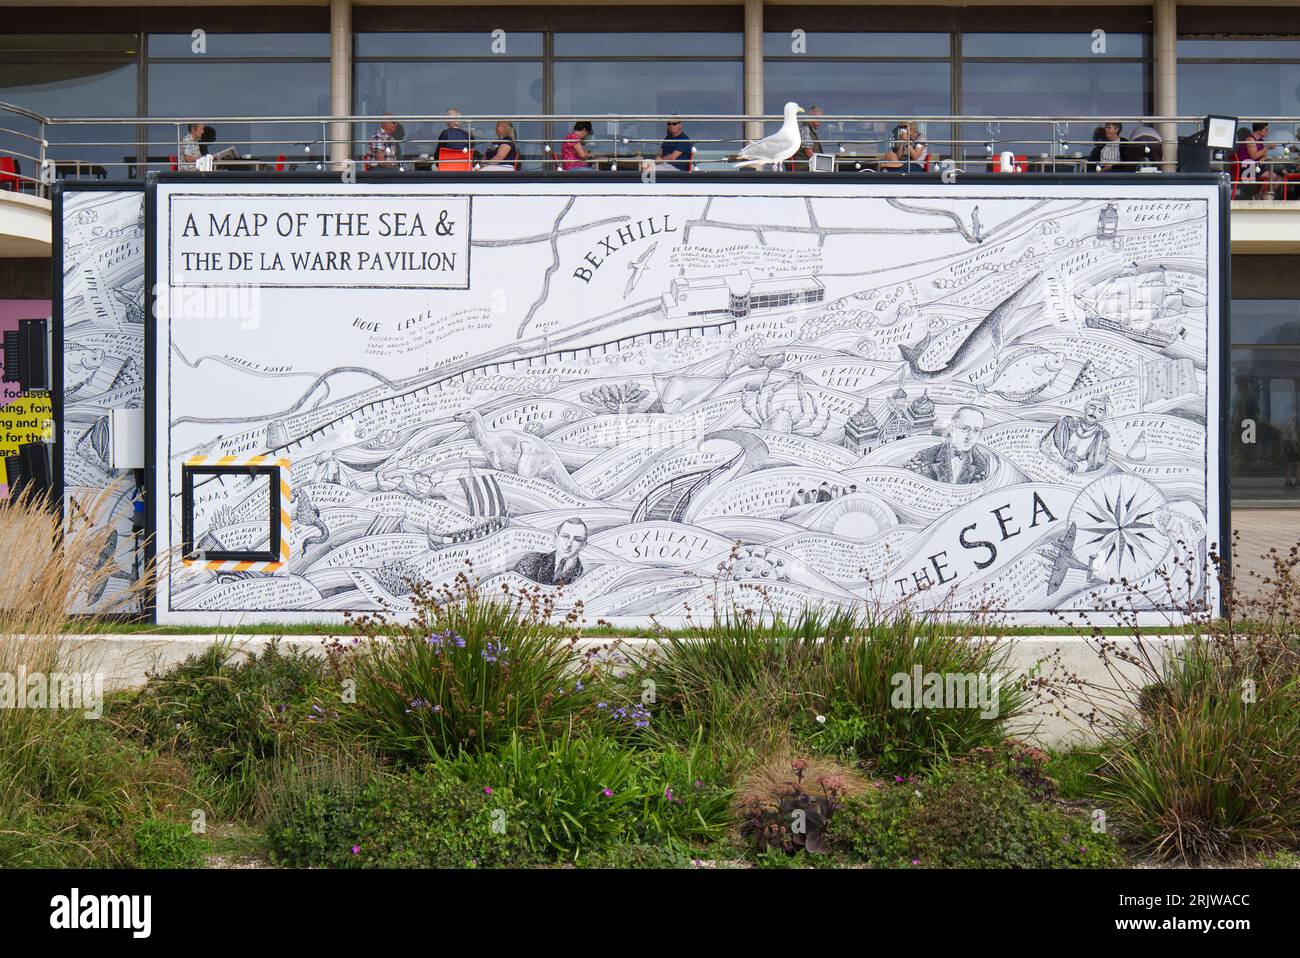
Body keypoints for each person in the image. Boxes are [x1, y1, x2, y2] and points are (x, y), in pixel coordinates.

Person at [905, 406, 991, 485]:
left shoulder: (981, 462)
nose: (970, 436)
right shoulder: (925, 456)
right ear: (951, 428)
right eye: (964, 429)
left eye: (976, 431)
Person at [1040, 397, 1112, 474]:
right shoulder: (1066, 422)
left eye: (1100, 411)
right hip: (1052, 464)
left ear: (1103, 416)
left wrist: (1076, 466)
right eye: (1092, 408)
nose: (1094, 413)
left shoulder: (1103, 435)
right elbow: (1046, 442)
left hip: (1075, 474)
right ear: (1086, 408)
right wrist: (1061, 460)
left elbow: (1099, 461)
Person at [513, 517, 588, 585]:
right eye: (565, 536)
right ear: (555, 538)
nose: (569, 544)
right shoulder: (530, 560)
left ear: (584, 545)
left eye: (577, 539)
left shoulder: (584, 575)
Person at [1238, 122, 1280, 199]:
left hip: (1257, 167)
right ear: (1259, 130)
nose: (1267, 131)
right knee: (1273, 176)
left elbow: (1264, 156)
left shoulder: (1261, 141)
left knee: (1280, 178)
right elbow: (1253, 156)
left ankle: (1260, 195)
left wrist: (1262, 159)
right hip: (1247, 168)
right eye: (1266, 129)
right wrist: (1267, 148)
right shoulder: (1250, 140)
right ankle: (1262, 195)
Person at [793, 105, 825, 171]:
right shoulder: (805, 129)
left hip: (809, 166)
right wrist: (823, 164)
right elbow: (809, 152)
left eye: (821, 118)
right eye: (817, 117)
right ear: (810, 117)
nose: (820, 120)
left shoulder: (809, 129)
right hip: (805, 167)